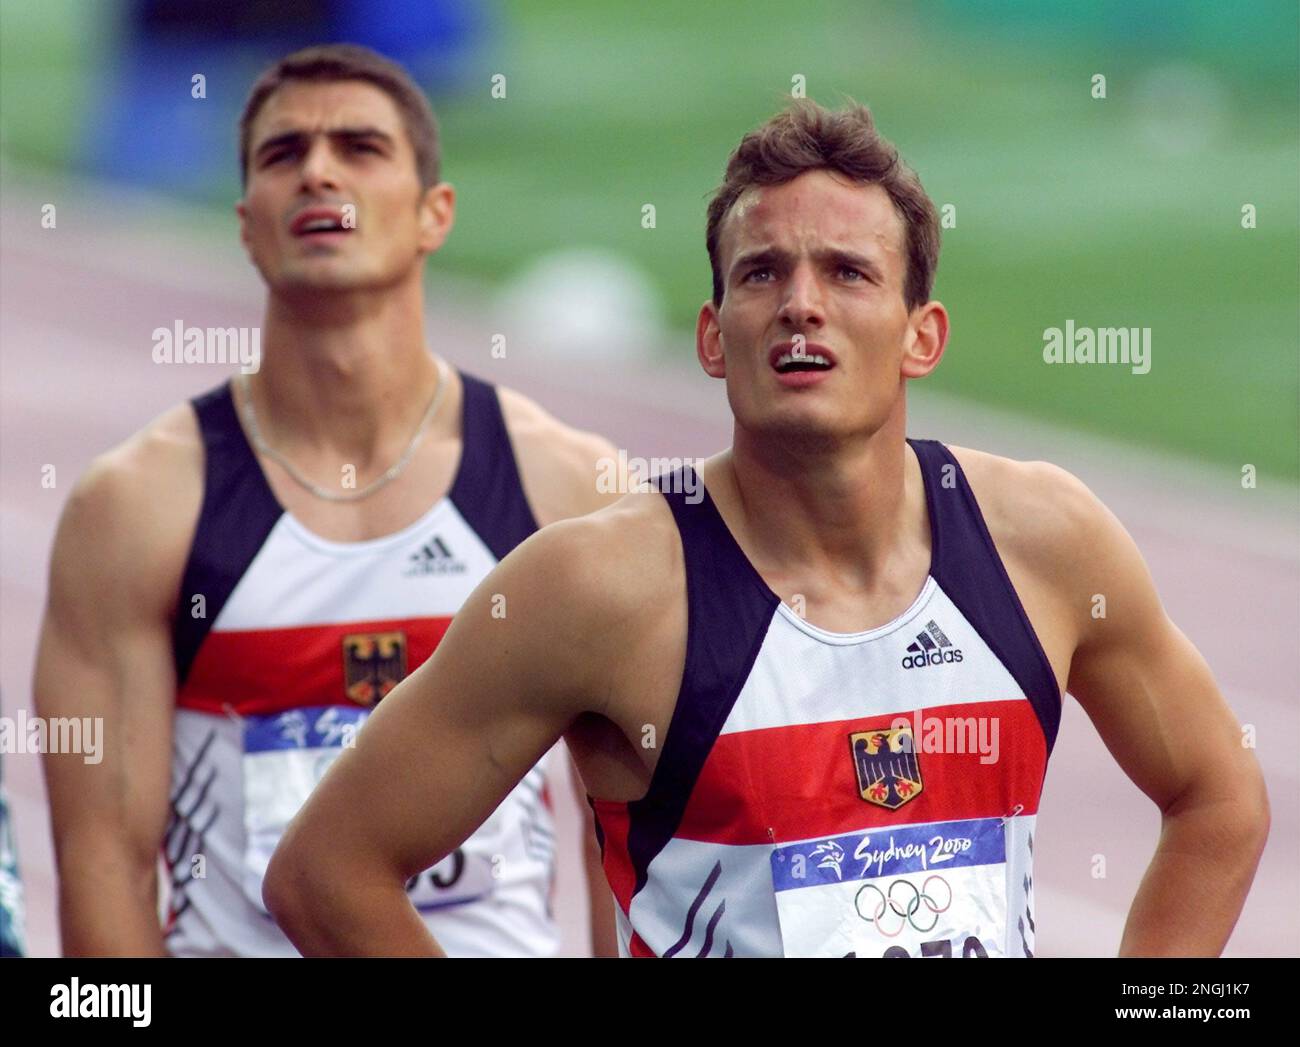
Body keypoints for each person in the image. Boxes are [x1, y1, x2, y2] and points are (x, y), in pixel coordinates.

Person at [264, 100, 1269, 958]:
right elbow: (326, 874)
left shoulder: (1044, 541)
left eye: (846, 273)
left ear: (922, 336)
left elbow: (1216, 799)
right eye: (760, 275)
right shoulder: (597, 588)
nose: (800, 306)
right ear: (712, 337)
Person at [35, 44, 618, 957]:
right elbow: (103, 861)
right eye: (282, 154)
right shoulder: (139, 504)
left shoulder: (564, 484)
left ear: (435, 213)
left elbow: (616, 843)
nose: (318, 170)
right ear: (246, 224)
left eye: (360, 147)